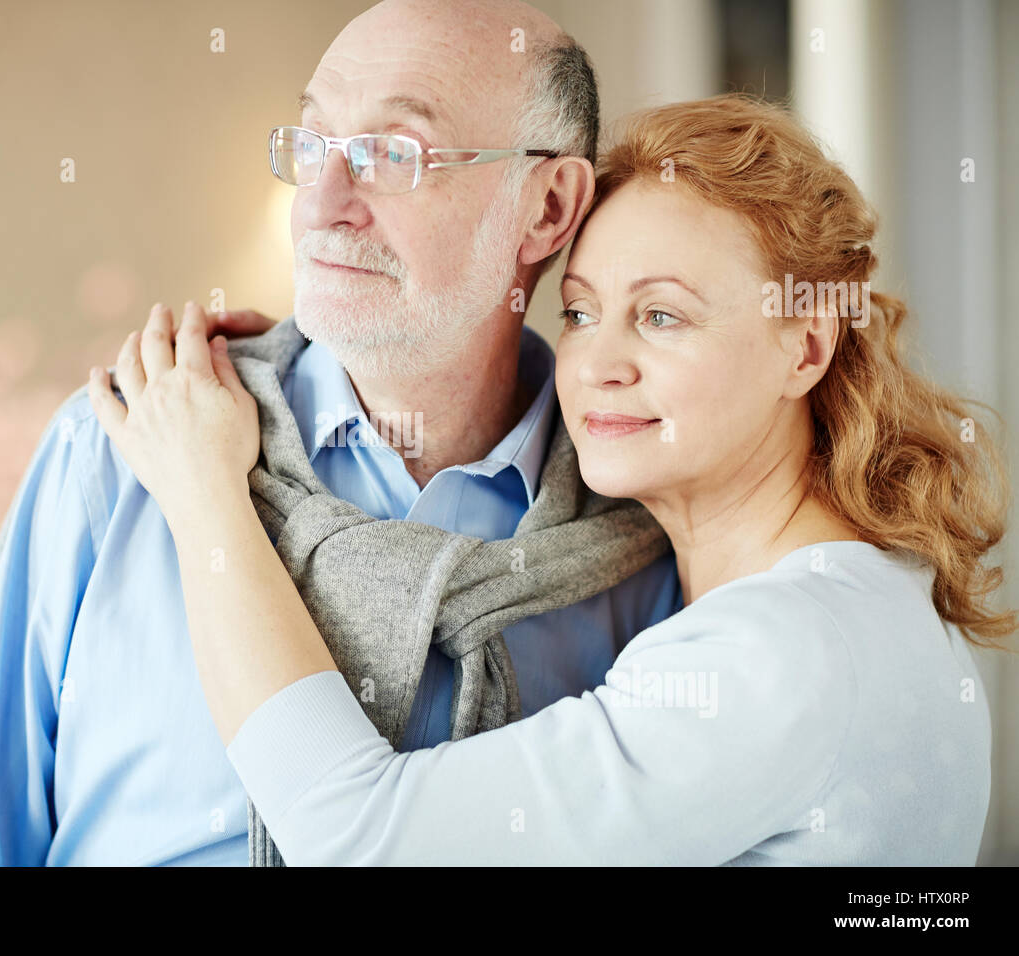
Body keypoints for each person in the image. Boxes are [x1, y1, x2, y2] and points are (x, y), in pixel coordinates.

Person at [87, 94, 1014, 865]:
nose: (597, 363)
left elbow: (357, 836)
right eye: (580, 311)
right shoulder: (865, 595)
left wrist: (204, 492)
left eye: (661, 315)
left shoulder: (781, 653)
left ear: (805, 345)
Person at [0, 0, 680, 866]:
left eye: (390, 154)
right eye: (313, 146)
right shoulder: (115, 447)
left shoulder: (641, 531)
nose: (321, 207)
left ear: (546, 207)